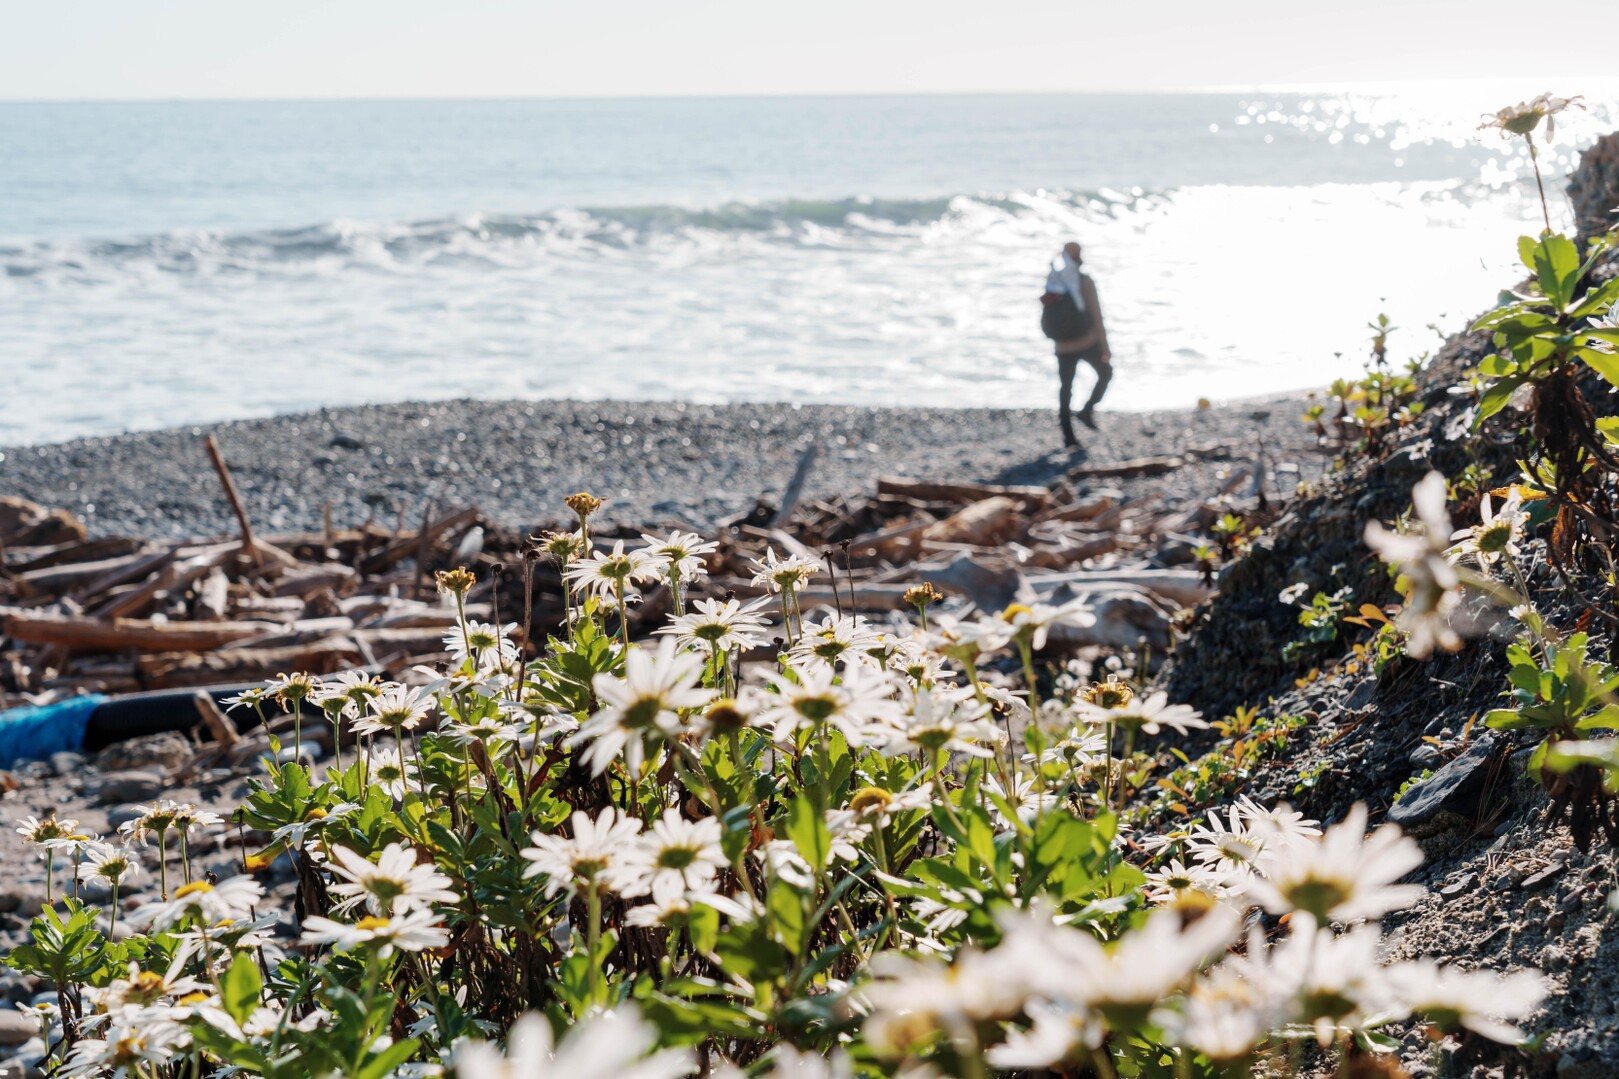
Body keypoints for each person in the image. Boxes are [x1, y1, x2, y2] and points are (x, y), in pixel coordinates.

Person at [1042, 241, 1111, 448]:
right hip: (1086, 342)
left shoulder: (1054, 282)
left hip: (1062, 346)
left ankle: (1068, 437)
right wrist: (1105, 346)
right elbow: (1097, 315)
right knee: (1106, 373)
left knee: (1065, 389)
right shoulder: (1084, 281)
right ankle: (1087, 410)